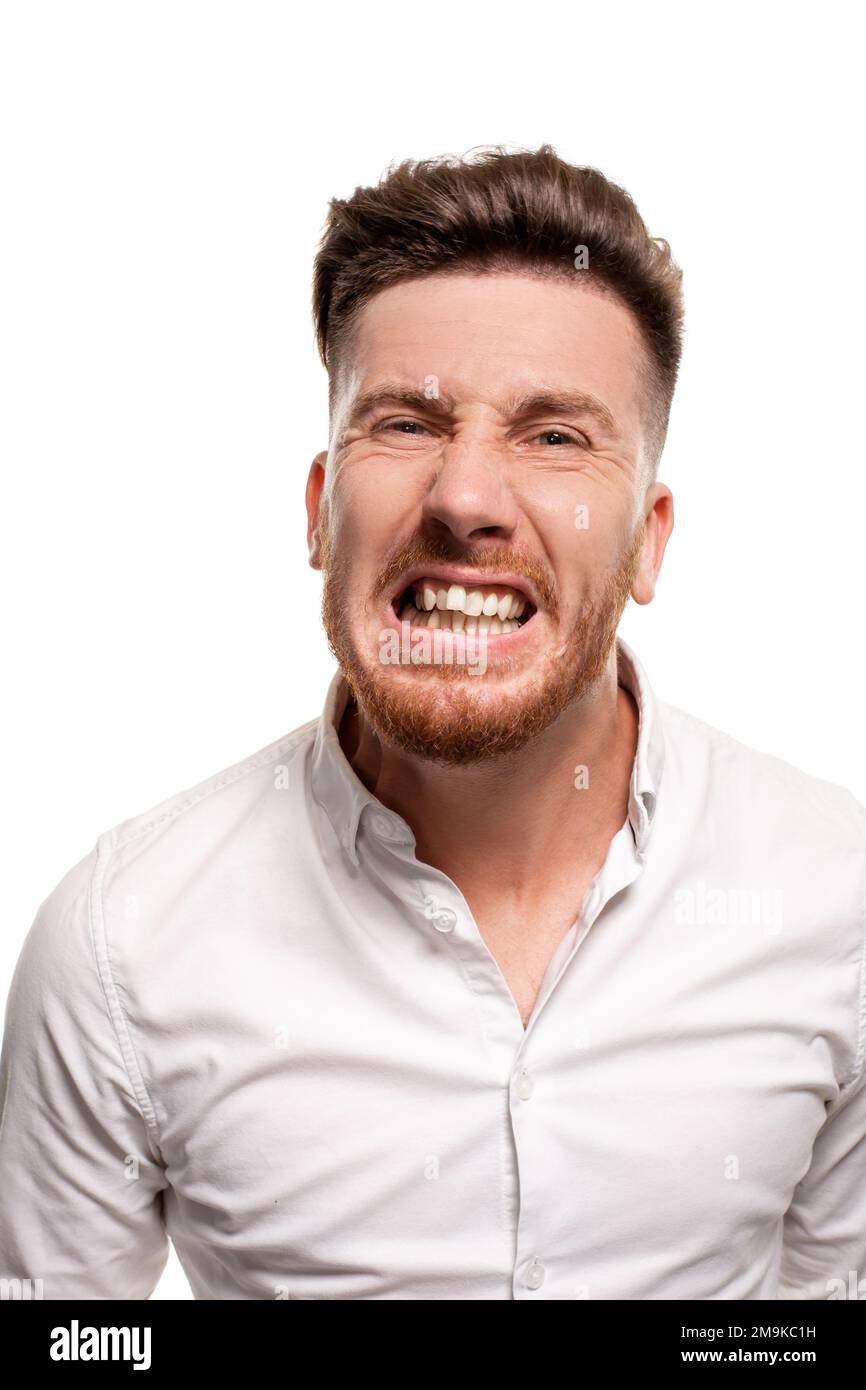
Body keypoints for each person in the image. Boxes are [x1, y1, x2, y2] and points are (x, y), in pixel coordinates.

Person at [1, 145, 863, 1301]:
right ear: (319, 510)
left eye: (554, 435)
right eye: (404, 424)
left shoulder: (833, 901)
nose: (462, 498)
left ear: (648, 540)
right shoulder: (118, 944)